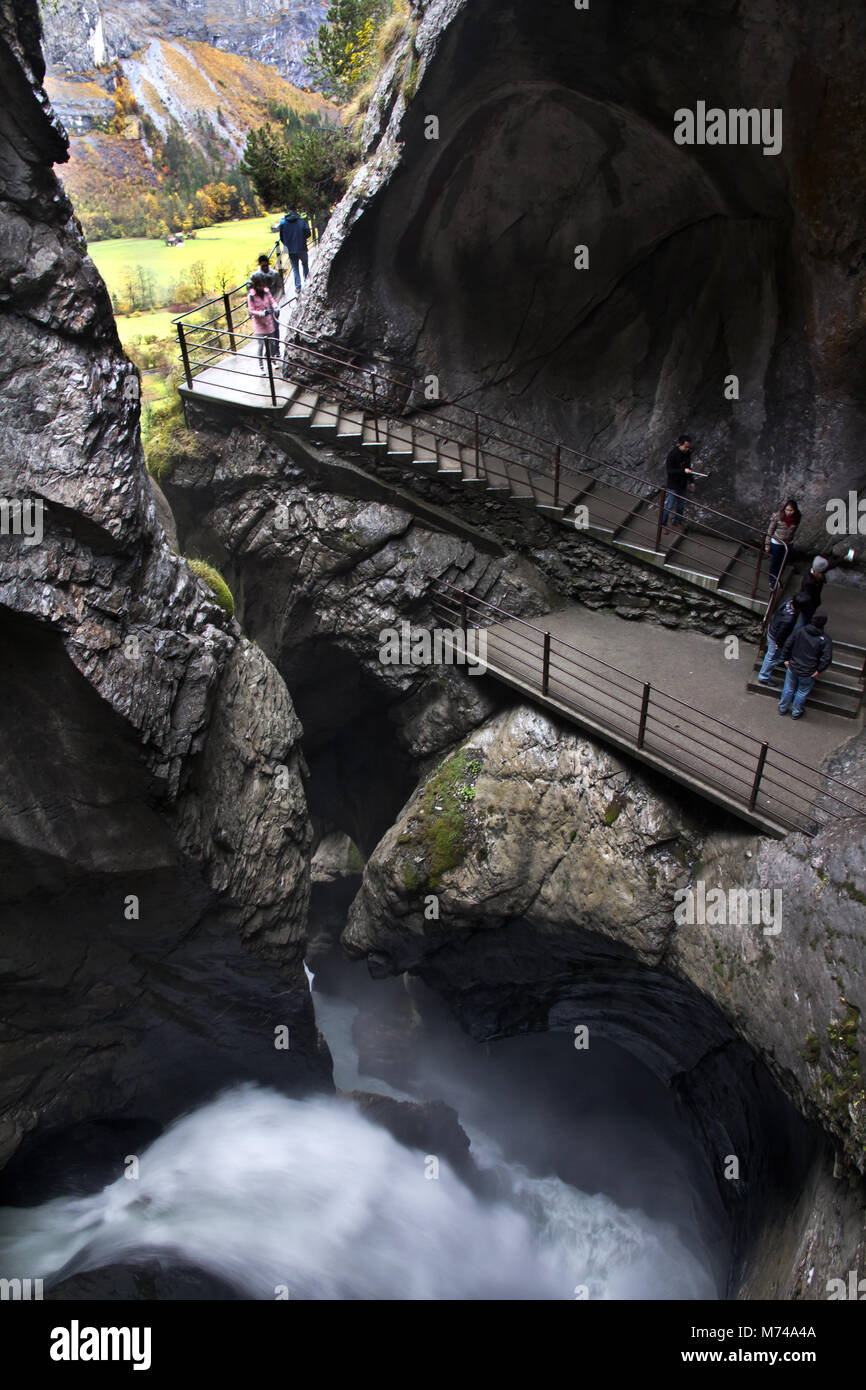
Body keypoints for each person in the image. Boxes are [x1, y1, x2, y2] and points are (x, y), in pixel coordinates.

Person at [778, 610, 833, 718]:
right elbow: (827, 658)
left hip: (793, 666)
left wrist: (786, 659)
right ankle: (796, 712)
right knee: (801, 692)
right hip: (808, 671)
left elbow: (788, 644)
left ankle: (783, 708)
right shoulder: (825, 639)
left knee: (788, 688)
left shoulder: (800, 631)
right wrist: (819, 670)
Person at [757, 592, 810, 683]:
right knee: (771, 656)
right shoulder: (789, 620)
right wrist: (778, 644)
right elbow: (781, 633)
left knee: (773, 655)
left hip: (773, 628)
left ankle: (778, 662)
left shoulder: (788, 601)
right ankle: (764, 677)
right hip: (775, 636)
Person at [793, 553, 852, 628]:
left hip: (813, 602)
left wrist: (844, 559)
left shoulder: (817, 569)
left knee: (807, 620)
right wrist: (813, 609)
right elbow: (808, 598)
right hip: (808, 605)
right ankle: (794, 635)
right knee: (804, 621)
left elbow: (831, 565)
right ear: (817, 572)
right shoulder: (809, 583)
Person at [246, 271, 280, 374]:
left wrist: (275, 307)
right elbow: (251, 310)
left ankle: (273, 361)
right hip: (259, 324)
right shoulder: (251, 296)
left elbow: (272, 301)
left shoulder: (266, 291)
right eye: (259, 284)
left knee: (271, 343)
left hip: (269, 322)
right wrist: (261, 313)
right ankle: (261, 366)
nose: (261, 286)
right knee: (261, 345)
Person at [764, 498, 801, 589]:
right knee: (775, 561)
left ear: (795, 510)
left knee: (784, 562)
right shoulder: (778, 516)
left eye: (791, 510)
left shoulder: (797, 518)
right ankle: (772, 580)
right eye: (787, 510)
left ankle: (778, 577)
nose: (789, 512)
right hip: (777, 542)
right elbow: (771, 529)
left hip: (788, 543)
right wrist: (767, 544)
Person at [662, 435, 694, 527]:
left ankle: (677, 521)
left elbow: (688, 467)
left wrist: (691, 481)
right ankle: (663, 523)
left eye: (688, 447)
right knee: (669, 505)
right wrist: (683, 471)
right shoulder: (672, 455)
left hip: (682, 483)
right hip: (673, 484)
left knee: (681, 505)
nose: (687, 449)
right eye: (686, 447)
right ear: (680, 444)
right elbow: (669, 471)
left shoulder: (687, 454)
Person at [279, 208, 311, 294]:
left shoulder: (283, 223)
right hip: (302, 247)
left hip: (290, 249)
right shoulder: (302, 221)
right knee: (305, 264)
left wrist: (287, 244)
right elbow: (308, 233)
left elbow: (281, 237)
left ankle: (298, 287)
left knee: (295, 268)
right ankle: (307, 282)